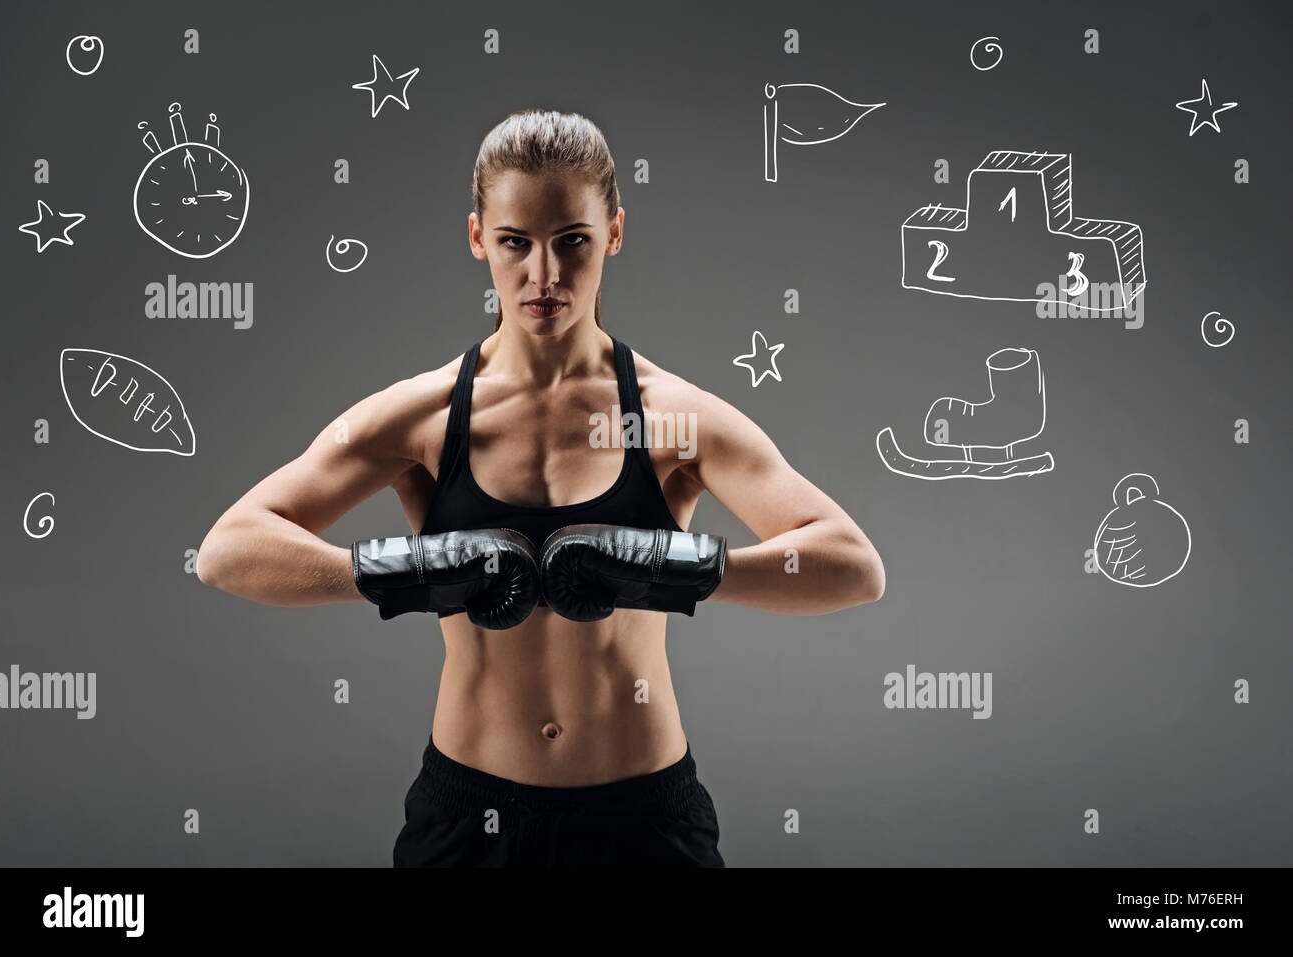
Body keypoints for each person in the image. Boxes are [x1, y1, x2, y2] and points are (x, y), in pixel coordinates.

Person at [195, 108, 885, 867]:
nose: (544, 277)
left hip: (644, 822)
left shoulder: (671, 418)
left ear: (615, 232)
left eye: (573, 243)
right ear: (477, 238)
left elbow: (852, 565)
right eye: (515, 243)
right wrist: (414, 574)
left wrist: (666, 565)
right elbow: (228, 550)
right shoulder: (424, 417)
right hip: (467, 819)